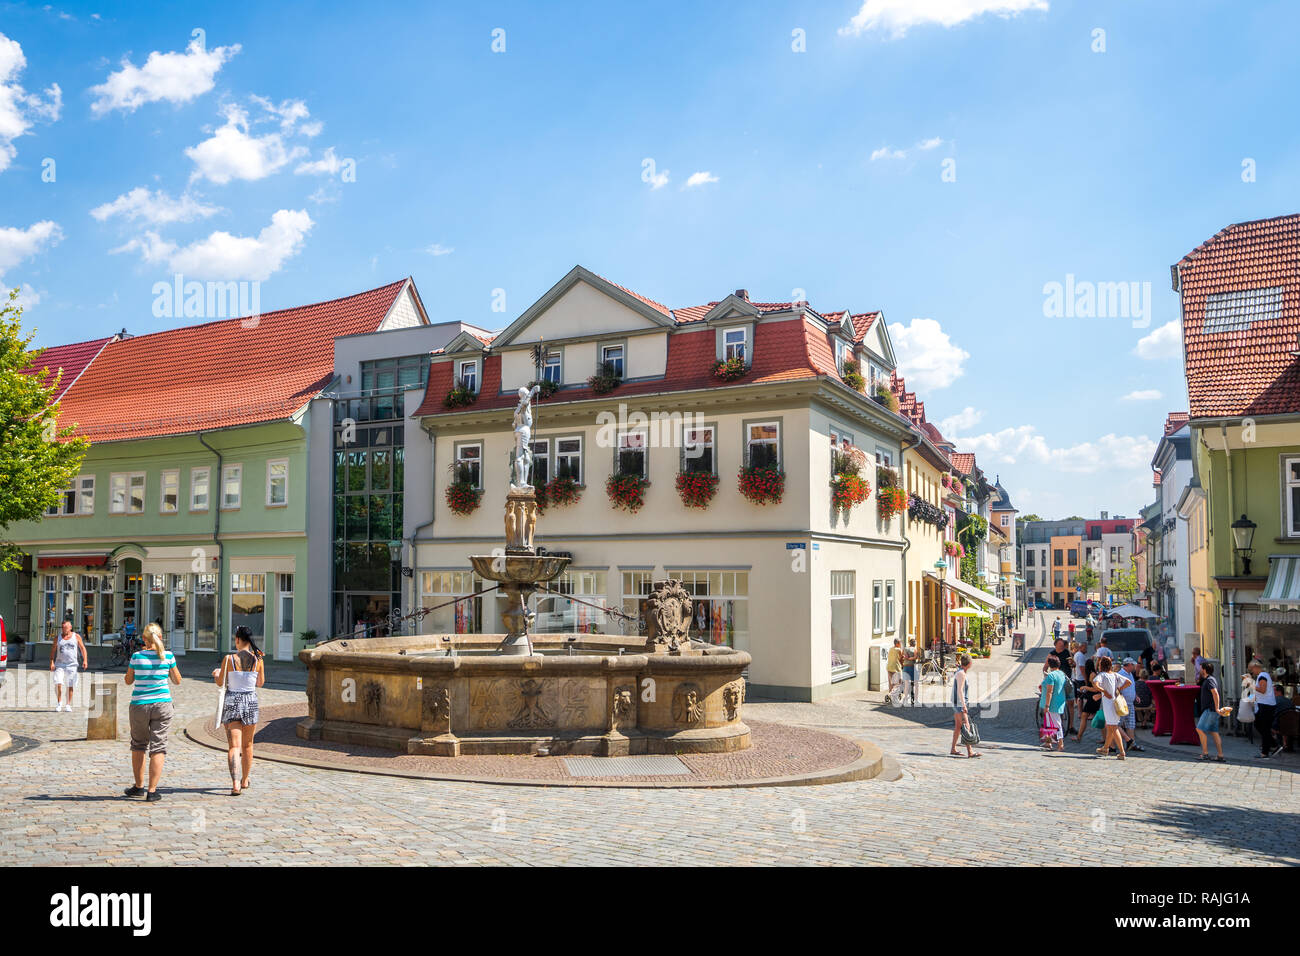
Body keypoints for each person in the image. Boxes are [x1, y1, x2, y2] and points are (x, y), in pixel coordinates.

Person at [123, 623, 181, 801]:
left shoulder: (136, 657)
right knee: (158, 747)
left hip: (140, 705)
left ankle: (139, 786)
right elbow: (177, 680)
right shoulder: (168, 656)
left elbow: (128, 680)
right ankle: (153, 790)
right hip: (162, 705)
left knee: (138, 744)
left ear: (144, 639)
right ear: (161, 637)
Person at [212, 625, 266, 796]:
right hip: (250, 701)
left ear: (237, 639)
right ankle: (244, 779)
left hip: (233, 701)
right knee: (248, 744)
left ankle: (235, 783)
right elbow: (260, 683)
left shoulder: (228, 659)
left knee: (234, 746)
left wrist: (216, 674)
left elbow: (221, 682)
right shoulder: (258, 660)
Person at [1091, 656, 1132, 759]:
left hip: (1109, 705)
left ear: (1101, 665)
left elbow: (1095, 684)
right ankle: (1105, 748)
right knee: (1110, 727)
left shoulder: (1102, 675)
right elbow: (1128, 682)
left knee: (1113, 728)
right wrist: (1118, 689)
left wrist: (1104, 691)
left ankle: (1122, 752)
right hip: (1115, 703)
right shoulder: (1114, 675)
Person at [49, 621, 88, 713]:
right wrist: (51, 662)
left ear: (70, 628)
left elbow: (82, 648)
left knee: (70, 685)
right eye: (63, 628)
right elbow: (53, 651)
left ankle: (68, 704)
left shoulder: (76, 637)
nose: (64, 629)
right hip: (60, 664)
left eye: (66, 628)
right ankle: (59, 703)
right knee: (58, 683)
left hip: (72, 664)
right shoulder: (57, 638)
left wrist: (85, 660)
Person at [1249, 658, 1281, 759]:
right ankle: (1273, 745)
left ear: (1256, 667)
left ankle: (1265, 751)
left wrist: (1251, 685)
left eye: (1252, 669)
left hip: (1266, 705)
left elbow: (1262, 690)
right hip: (1265, 704)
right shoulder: (1263, 676)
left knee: (1264, 727)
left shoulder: (1262, 676)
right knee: (1260, 725)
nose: (1252, 671)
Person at [949, 654, 980, 758]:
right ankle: (970, 751)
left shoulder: (960, 672)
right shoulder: (961, 674)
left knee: (958, 727)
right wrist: (963, 705)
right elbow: (960, 691)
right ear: (969, 663)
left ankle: (953, 749)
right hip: (959, 704)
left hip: (957, 703)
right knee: (966, 726)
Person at [1195, 660, 1226, 762]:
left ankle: (1205, 753)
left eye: (1201, 668)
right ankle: (1220, 755)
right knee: (1214, 732)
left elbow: (1215, 693)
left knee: (1199, 729)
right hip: (1212, 710)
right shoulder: (1209, 679)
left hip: (1210, 710)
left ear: (1204, 669)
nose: (1199, 670)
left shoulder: (1209, 680)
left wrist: (1217, 708)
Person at [1039, 655, 1067, 751]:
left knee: (1056, 723)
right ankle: (1048, 742)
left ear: (1050, 665)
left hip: (1052, 704)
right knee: (1049, 723)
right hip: (1059, 701)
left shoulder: (1051, 675)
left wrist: (1047, 705)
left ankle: (1061, 744)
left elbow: (1049, 691)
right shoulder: (1061, 674)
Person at [1118, 658, 1144, 752]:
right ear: (1128, 665)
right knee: (1117, 724)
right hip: (1123, 704)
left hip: (1130, 703)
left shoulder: (1130, 674)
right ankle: (1115, 744)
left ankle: (1132, 744)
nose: (1134, 667)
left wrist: (1135, 695)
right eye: (1133, 665)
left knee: (1131, 725)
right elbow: (1117, 689)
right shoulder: (1120, 675)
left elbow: (1131, 687)